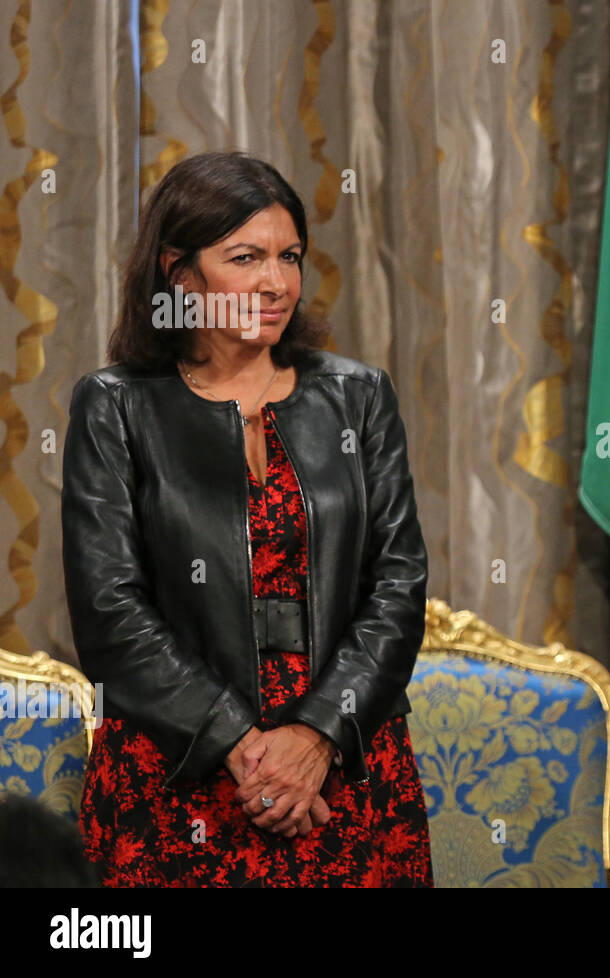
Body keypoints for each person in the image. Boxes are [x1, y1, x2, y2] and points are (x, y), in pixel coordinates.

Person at [62, 151, 433, 886]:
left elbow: (398, 586)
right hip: (185, 776)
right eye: (247, 257)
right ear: (179, 273)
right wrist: (243, 747)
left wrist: (315, 738)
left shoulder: (359, 397)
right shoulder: (116, 407)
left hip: (343, 772)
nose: (277, 282)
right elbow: (110, 612)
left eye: (289, 257)